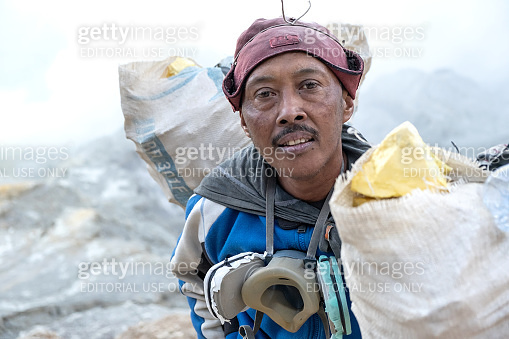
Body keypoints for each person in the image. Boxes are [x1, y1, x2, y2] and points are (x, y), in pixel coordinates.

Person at [171, 17, 371, 338]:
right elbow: (196, 284)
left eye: (309, 85)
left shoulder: (395, 201)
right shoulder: (215, 212)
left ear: (347, 103)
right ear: (245, 125)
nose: (289, 111)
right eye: (265, 94)